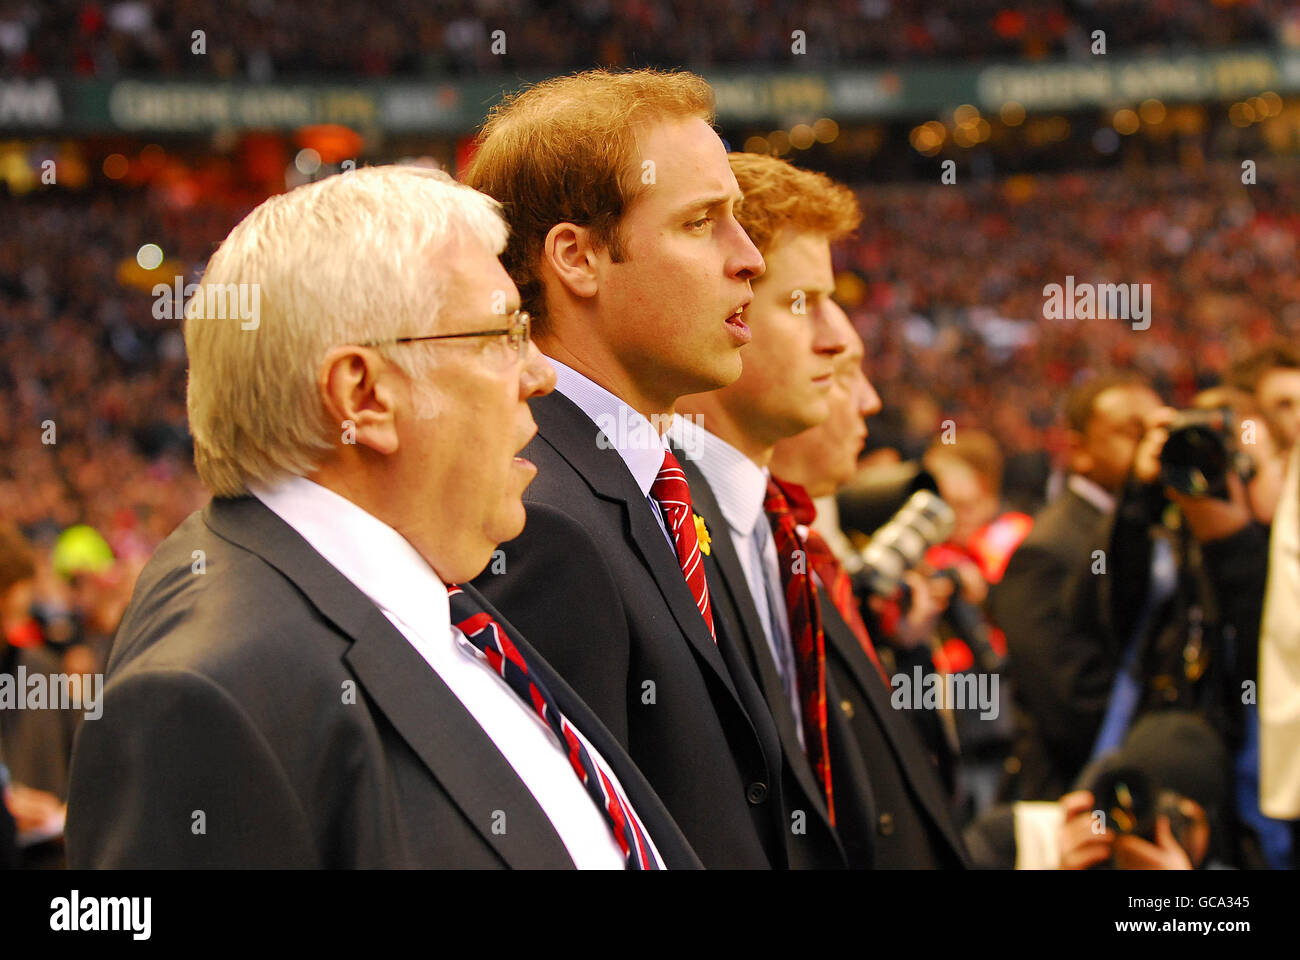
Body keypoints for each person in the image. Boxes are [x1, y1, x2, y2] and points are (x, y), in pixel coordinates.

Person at [65, 166, 700, 869]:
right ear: (364, 396)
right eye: (500, 333)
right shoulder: (209, 699)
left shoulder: (431, 594)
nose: (538, 374)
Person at [464, 68, 832, 868]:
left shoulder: (664, 485)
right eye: (703, 222)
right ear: (579, 258)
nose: (749, 260)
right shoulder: (532, 517)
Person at [674, 151, 969, 868]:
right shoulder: (669, 533)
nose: (845, 341)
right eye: (803, 302)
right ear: (727, 311)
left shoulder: (774, 526)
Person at [989, 373, 1162, 802]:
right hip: (1076, 793)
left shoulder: (1158, 529)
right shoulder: (1048, 548)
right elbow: (1070, 702)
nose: (1152, 447)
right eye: (1133, 433)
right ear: (1079, 450)